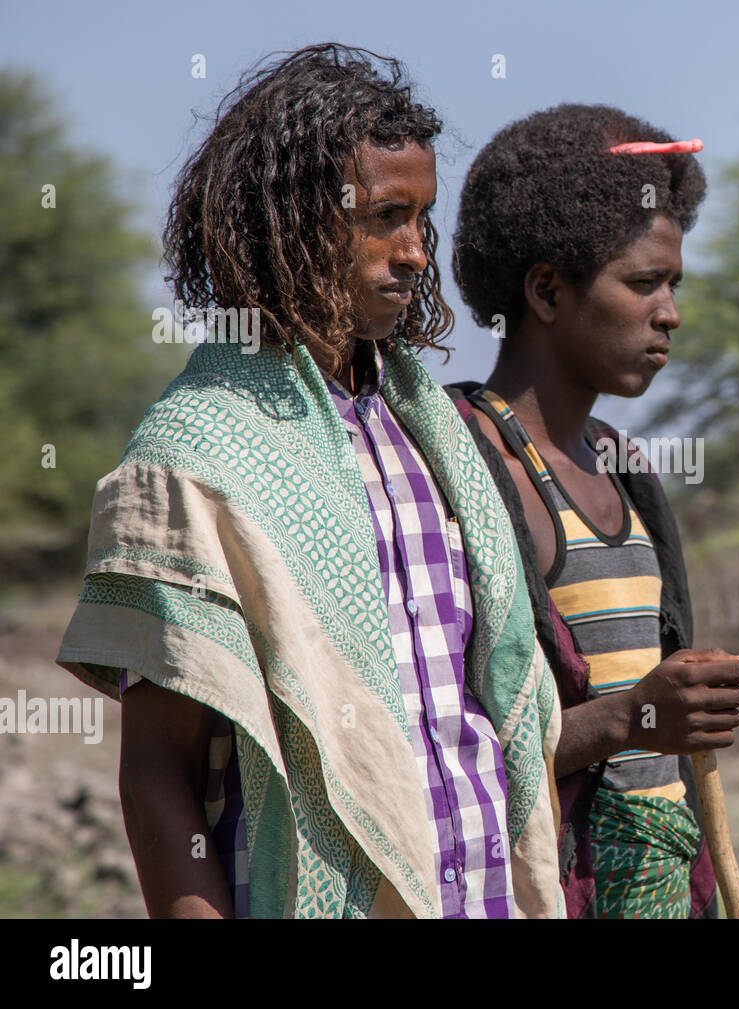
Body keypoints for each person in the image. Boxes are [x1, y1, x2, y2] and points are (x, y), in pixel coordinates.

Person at [55, 44, 562, 919]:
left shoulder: (426, 431)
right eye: (383, 217)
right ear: (287, 221)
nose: (412, 253)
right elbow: (158, 771)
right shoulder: (199, 456)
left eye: (423, 220)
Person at [447, 103, 739, 918]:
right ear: (548, 290)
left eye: (674, 285)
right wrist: (631, 716)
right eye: (644, 283)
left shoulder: (625, 471)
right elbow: (448, 747)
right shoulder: (460, 470)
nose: (671, 313)